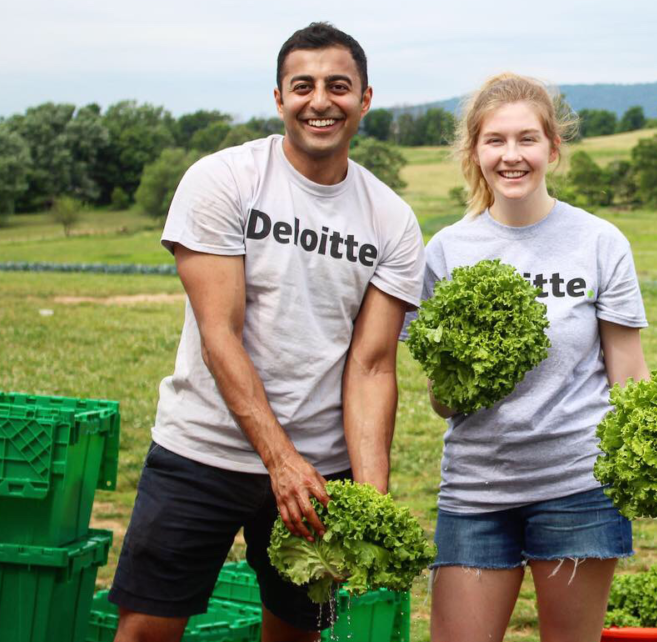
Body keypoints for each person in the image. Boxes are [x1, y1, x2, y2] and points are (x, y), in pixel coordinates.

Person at [108, 22, 424, 642]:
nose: (320, 101)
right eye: (301, 85)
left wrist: (370, 502)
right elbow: (219, 332)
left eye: (338, 85)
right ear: (279, 99)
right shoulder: (224, 180)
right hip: (202, 448)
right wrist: (279, 460)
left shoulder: (392, 218)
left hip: (322, 468)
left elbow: (373, 366)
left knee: (297, 635)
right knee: (146, 628)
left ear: (364, 99)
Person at [411, 73, 657, 642]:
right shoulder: (446, 250)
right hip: (477, 490)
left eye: (527, 139)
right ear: (475, 151)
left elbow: (631, 382)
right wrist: (468, 374)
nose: (511, 155)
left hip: (580, 487)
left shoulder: (599, 242)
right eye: (495, 141)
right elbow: (442, 402)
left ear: (553, 147)